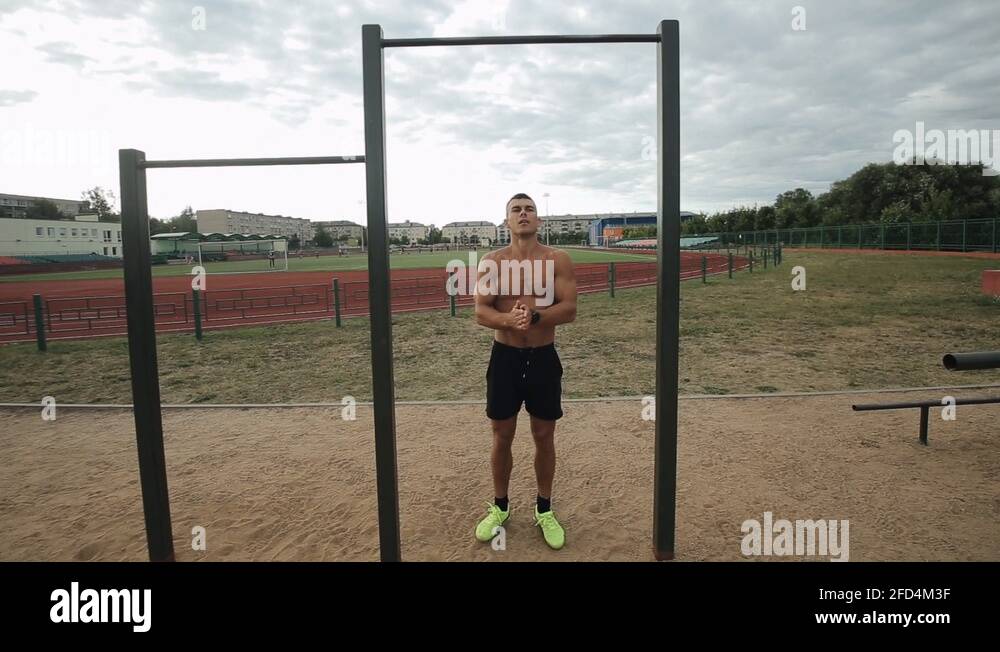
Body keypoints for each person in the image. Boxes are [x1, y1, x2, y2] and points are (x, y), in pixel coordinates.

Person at [473, 192, 577, 550]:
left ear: (539, 220)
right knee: (502, 433)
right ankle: (500, 506)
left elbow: (569, 309)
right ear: (506, 222)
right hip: (505, 358)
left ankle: (544, 509)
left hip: (543, 357)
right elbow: (481, 311)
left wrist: (535, 317)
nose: (523, 214)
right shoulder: (492, 261)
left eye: (529, 209)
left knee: (544, 435)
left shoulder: (557, 259)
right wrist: (508, 320)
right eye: (516, 210)